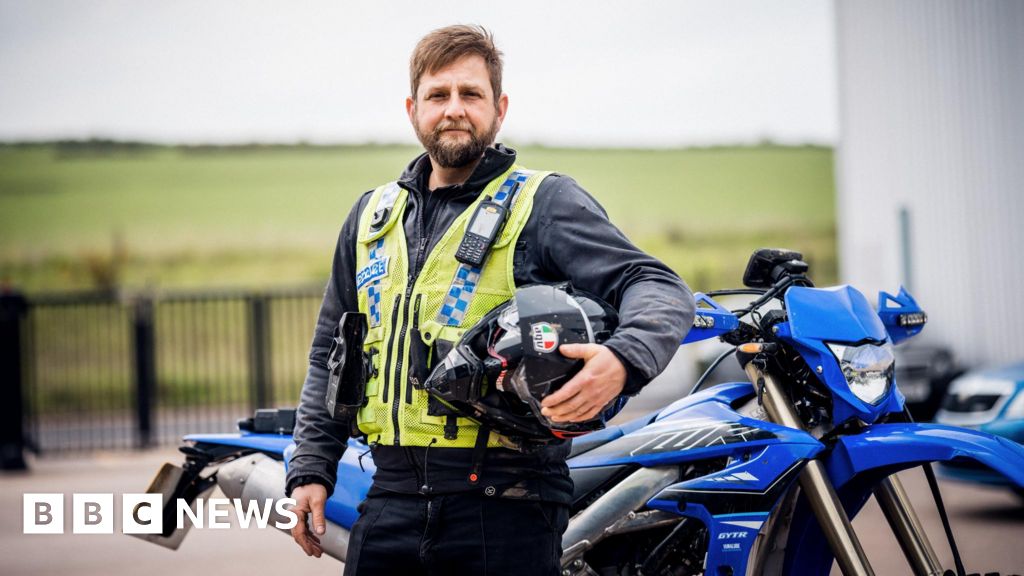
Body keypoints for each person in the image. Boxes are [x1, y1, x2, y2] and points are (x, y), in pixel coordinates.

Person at [285, 24, 694, 576]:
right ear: (412, 110)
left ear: (499, 109)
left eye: (471, 94)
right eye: (438, 94)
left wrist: (623, 360)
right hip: (390, 501)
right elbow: (328, 356)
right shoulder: (371, 218)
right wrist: (311, 468)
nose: (454, 109)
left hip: (507, 508)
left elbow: (655, 283)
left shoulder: (545, 202)